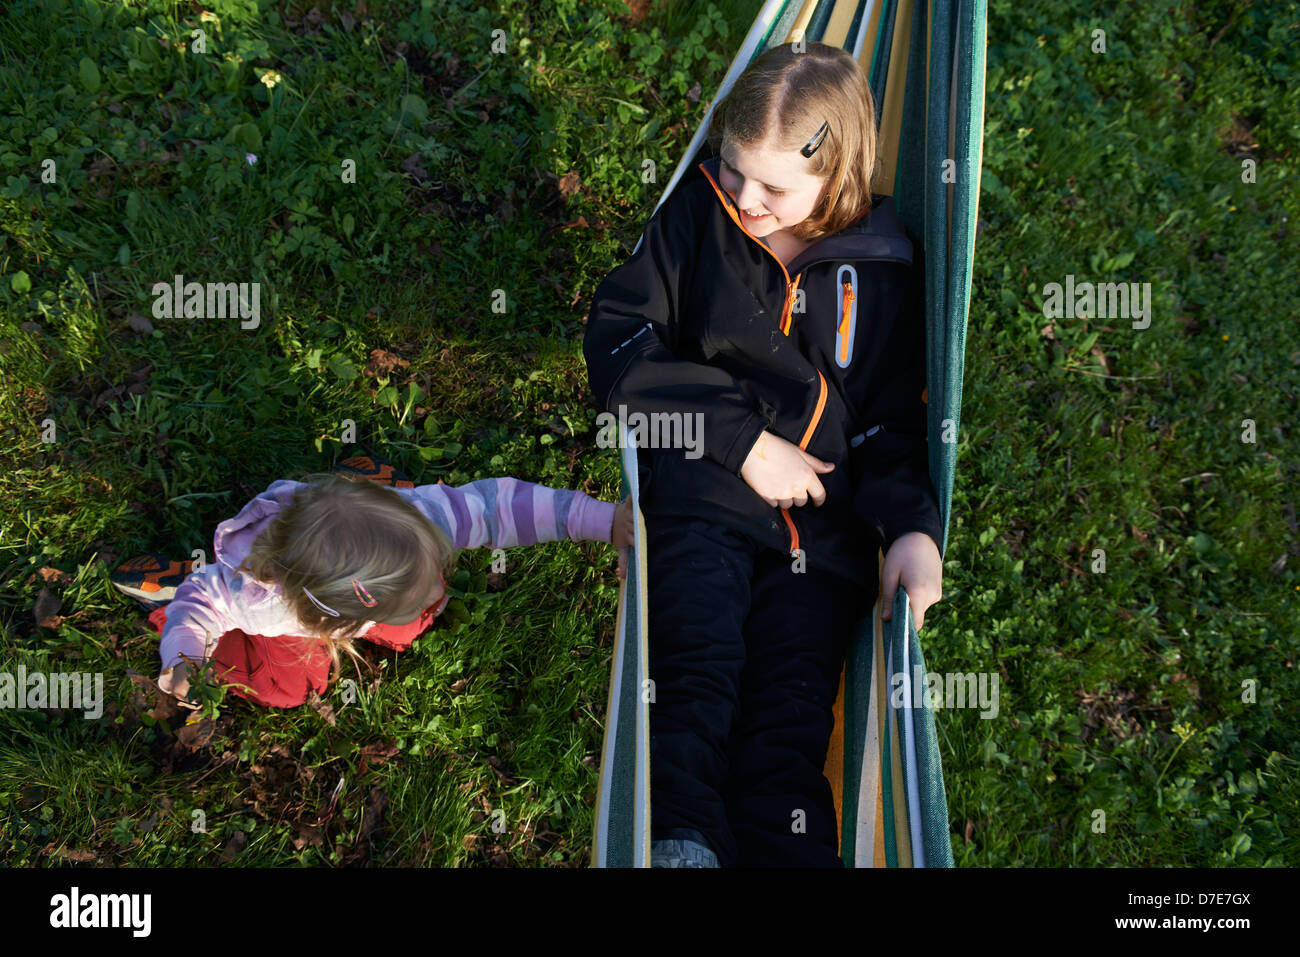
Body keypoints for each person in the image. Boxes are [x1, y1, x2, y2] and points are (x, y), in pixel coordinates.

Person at [582, 43, 944, 867]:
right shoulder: (697, 220)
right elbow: (621, 346)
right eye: (735, 169)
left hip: (823, 540)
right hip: (704, 498)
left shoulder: (884, 268)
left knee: (788, 719)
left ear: (838, 171)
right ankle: (678, 842)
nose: (747, 198)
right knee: (693, 672)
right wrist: (741, 442)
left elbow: (891, 422)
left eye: (774, 186)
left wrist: (913, 530)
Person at [112, 456, 634, 709]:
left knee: (411, 624)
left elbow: (500, 506)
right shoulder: (258, 601)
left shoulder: (426, 517)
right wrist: (183, 658)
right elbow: (204, 604)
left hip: (365, 566)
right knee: (289, 686)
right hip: (238, 604)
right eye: (427, 582)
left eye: (432, 570)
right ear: (330, 618)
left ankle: (373, 502)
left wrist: (600, 520)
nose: (438, 593)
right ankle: (169, 595)